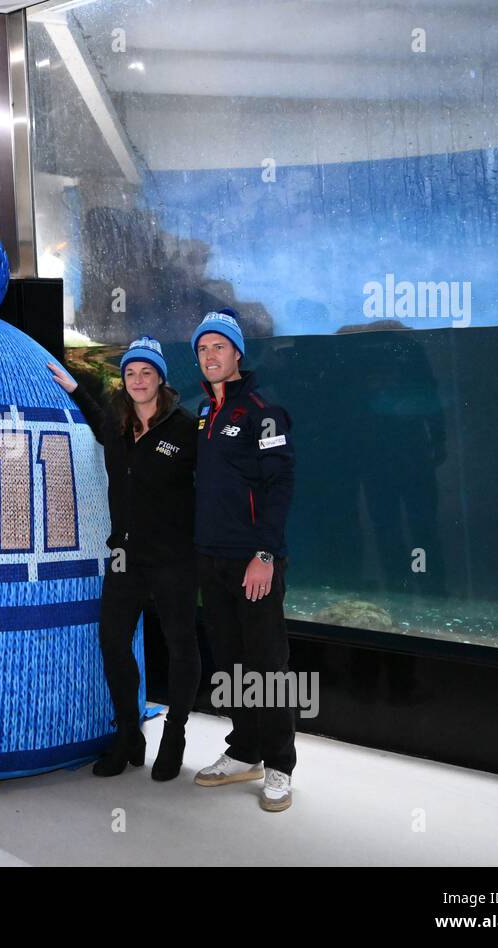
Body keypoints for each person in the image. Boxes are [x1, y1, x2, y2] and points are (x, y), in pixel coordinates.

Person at [49, 336, 201, 780]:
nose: (137, 380)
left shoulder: (187, 430)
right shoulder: (116, 427)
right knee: (113, 643)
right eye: (130, 373)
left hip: (174, 559)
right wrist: (74, 388)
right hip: (125, 557)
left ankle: (175, 734)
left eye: (146, 373)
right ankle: (128, 736)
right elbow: (95, 417)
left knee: (181, 647)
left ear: (161, 379)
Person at [189, 310, 298, 811]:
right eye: (202, 349)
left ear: (237, 354)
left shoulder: (263, 410)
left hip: (252, 563)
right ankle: (245, 751)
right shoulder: (203, 415)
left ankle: (279, 765)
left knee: (267, 666)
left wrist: (264, 554)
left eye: (219, 347)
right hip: (211, 562)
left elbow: (279, 487)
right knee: (231, 665)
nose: (210, 356)